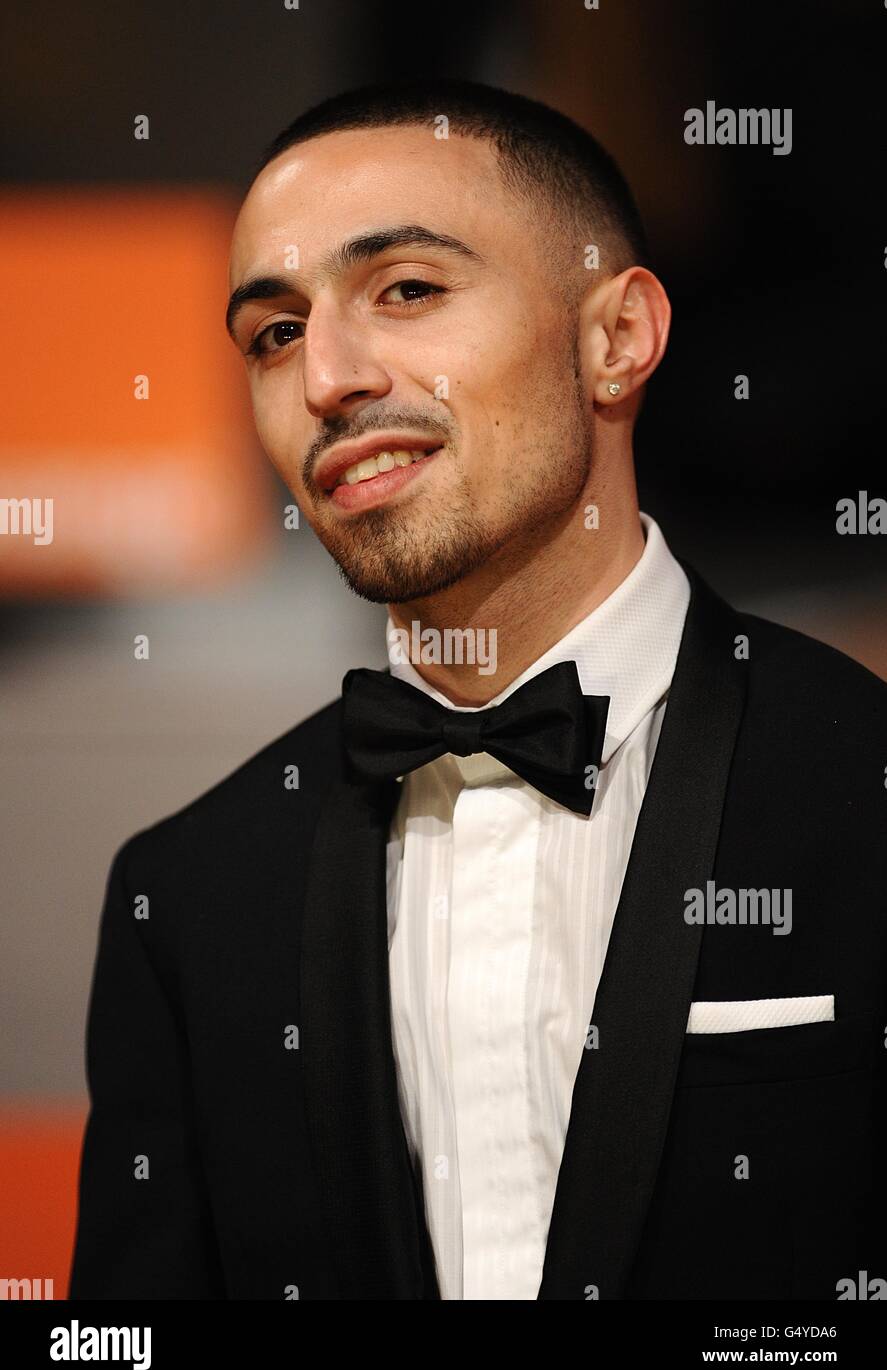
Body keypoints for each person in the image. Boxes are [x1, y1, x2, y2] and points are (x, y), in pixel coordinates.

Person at [70, 79, 887, 1301]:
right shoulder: (184, 896)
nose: (327, 377)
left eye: (406, 288)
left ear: (616, 338)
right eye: (274, 332)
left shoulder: (859, 788)